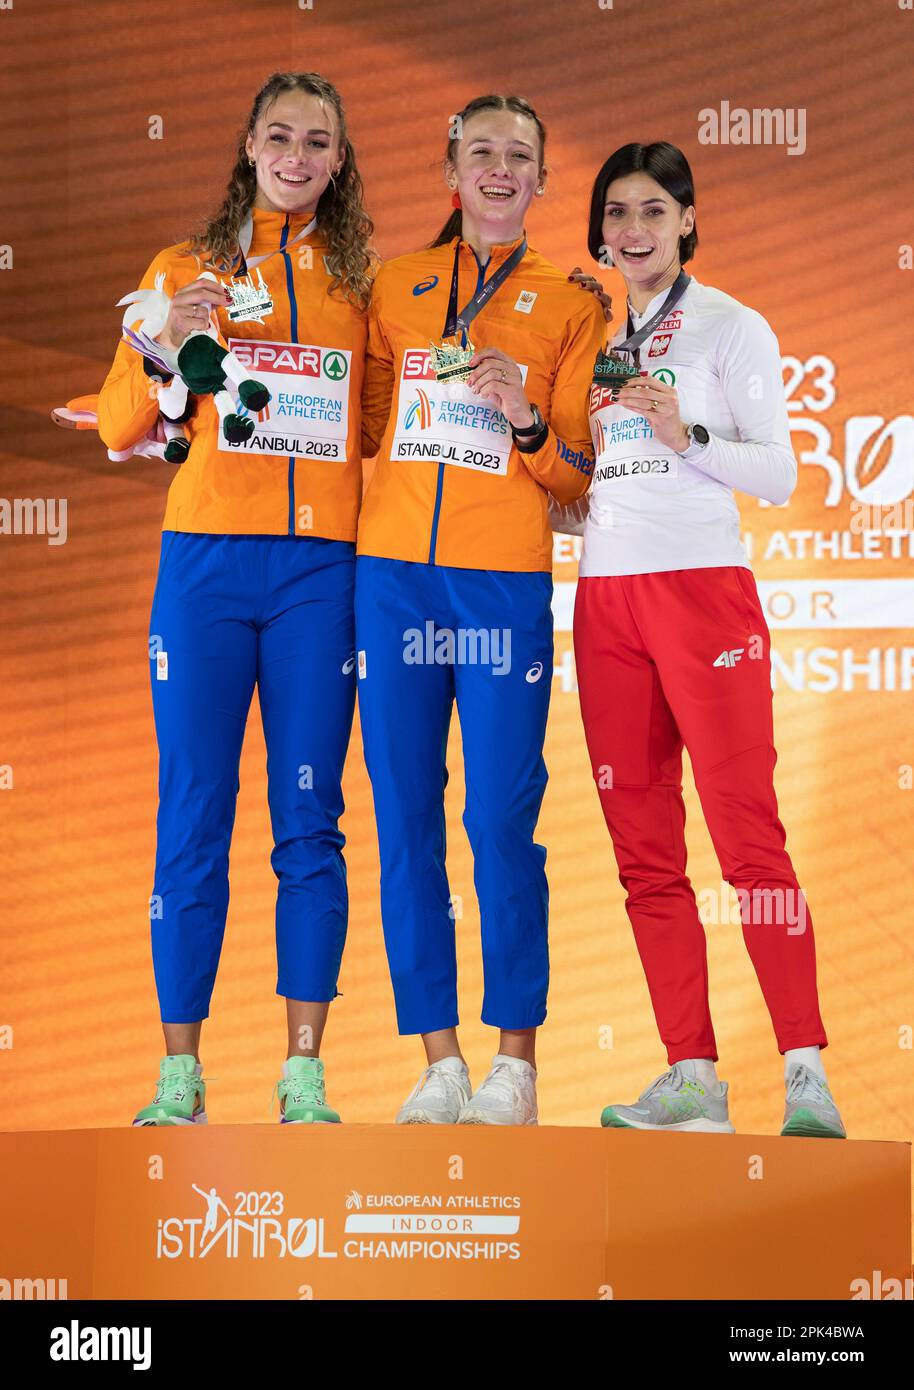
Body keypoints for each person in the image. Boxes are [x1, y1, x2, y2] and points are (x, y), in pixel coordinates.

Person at [95, 72, 373, 1126]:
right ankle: (179, 1072)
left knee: (309, 820)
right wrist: (164, 341)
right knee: (193, 813)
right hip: (206, 568)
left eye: (317, 142)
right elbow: (127, 424)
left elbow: (389, 430)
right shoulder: (183, 266)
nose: (297, 156)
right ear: (248, 144)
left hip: (320, 577)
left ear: (339, 161)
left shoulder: (362, 284)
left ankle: (303, 1068)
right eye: (279, 136)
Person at [559, 140, 845, 1138]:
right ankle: (690, 1072)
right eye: (616, 215)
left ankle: (803, 1068)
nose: (631, 230)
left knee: (745, 838)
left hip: (702, 598)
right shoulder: (591, 336)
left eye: (651, 211)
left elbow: (778, 475)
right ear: (598, 232)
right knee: (643, 852)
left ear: (685, 219)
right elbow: (597, 477)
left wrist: (689, 436)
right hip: (603, 602)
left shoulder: (731, 326)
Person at [357, 94, 606, 1125]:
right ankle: (437, 1059)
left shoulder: (572, 302)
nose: (499, 171)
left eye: (520, 158)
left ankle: (514, 1063)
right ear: (449, 167)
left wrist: (520, 418)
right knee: (402, 816)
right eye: (481, 154)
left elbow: (581, 482)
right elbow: (352, 426)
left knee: (500, 820)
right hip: (390, 578)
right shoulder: (390, 287)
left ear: (542, 180)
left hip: (500, 586)